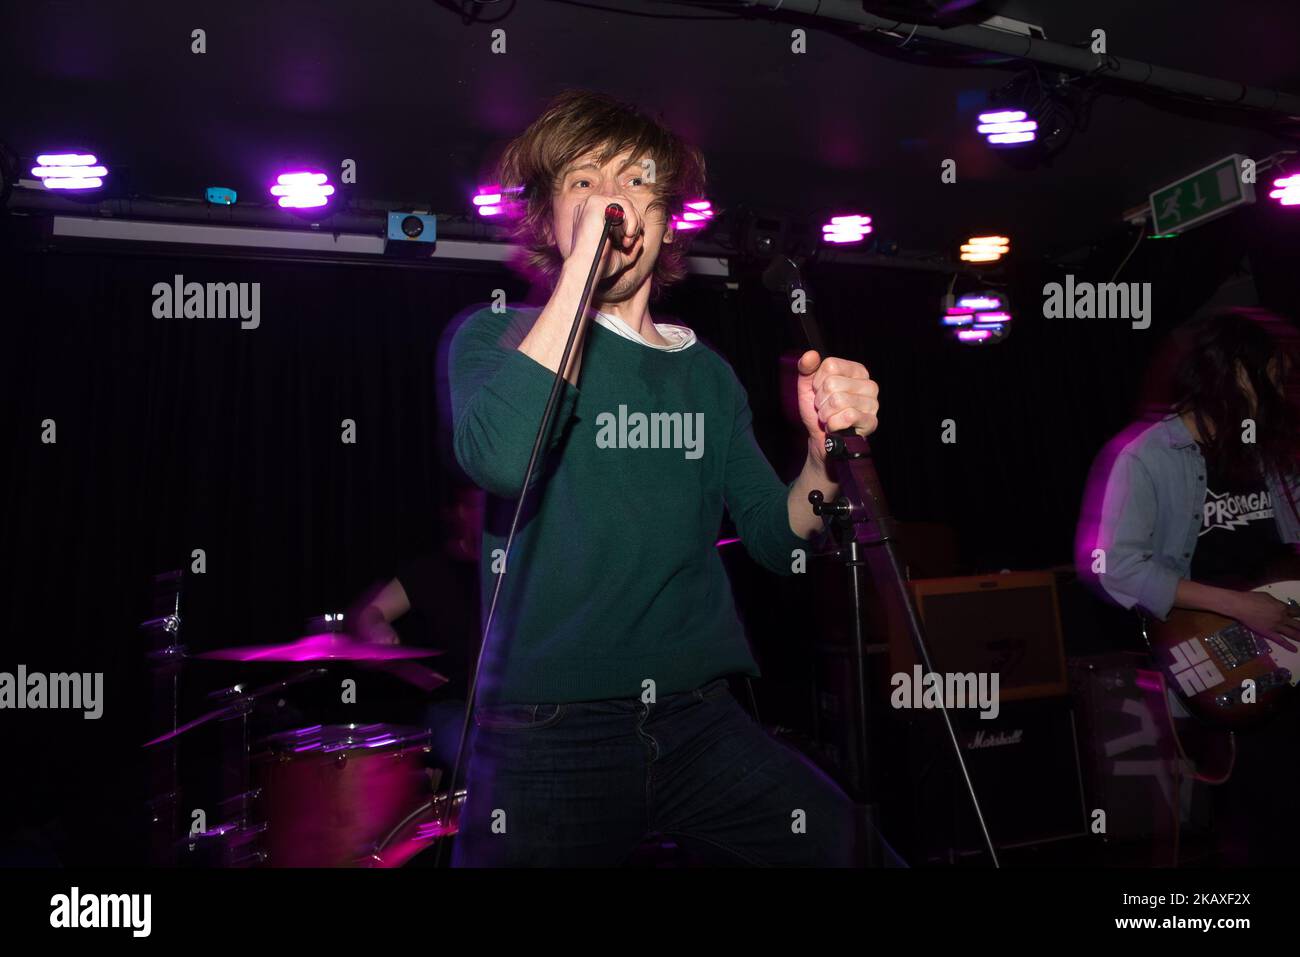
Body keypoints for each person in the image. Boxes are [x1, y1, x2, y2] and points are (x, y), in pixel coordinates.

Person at [444, 89, 888, 866]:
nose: (611, 199)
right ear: (549, 220)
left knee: (855, 853)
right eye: (582, 183)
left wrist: (820, 457)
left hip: (699, 719)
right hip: (546, 732)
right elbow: (503, 457)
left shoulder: (708, 377)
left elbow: (776, 535)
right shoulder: (494, 335)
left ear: (666, 217)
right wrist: (583, 267)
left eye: (635, 182)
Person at [1078, 307, 1300, 864]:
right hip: (1222, 657)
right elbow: (1110, 564)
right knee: (1258, 819)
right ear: (1236, 375)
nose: (1279, 387)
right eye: (1269, 374)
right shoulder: (1148, 454)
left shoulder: (1270, 450)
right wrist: (1240, 607)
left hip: (1288, 646)